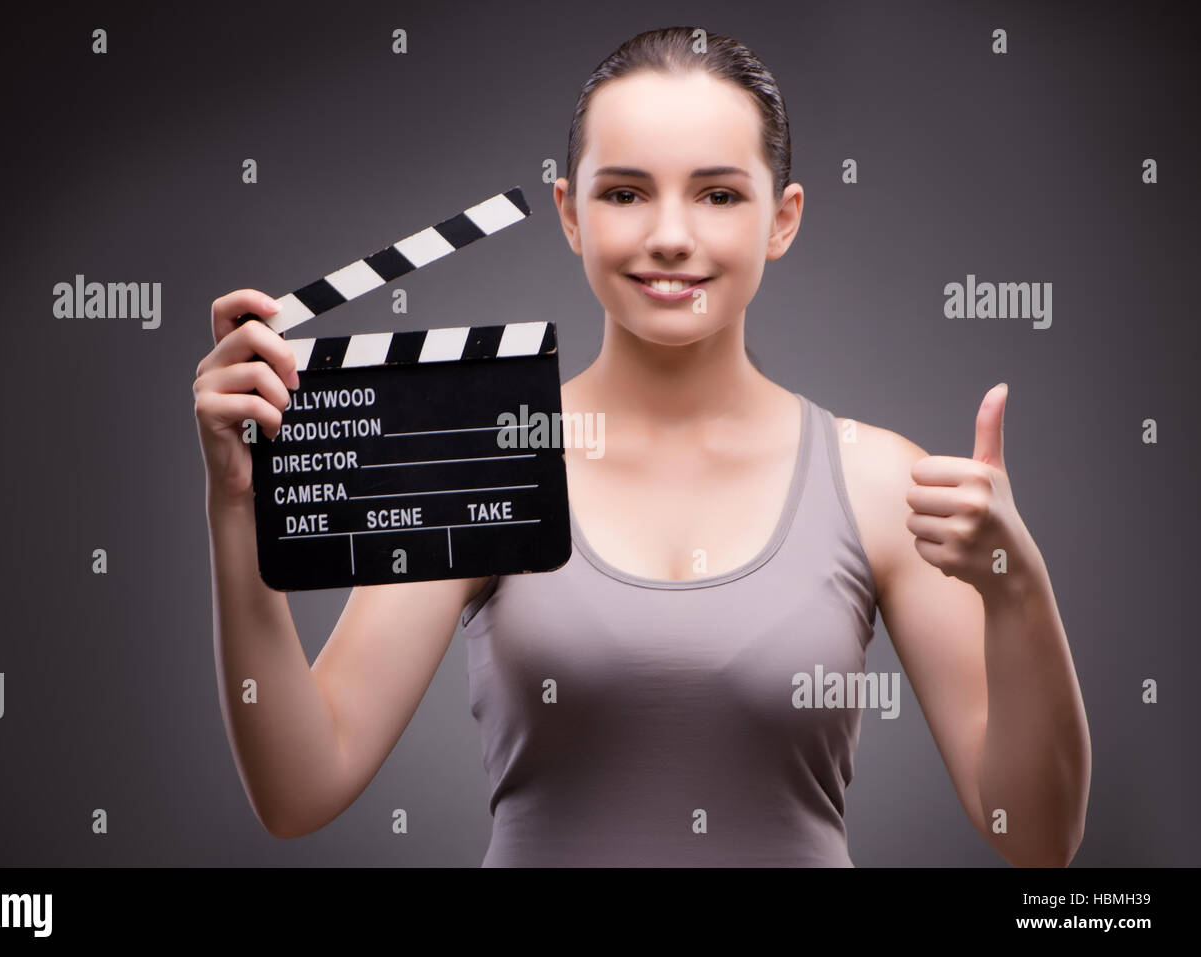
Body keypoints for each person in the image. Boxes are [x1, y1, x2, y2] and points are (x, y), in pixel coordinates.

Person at [193, 26, 1090, 866]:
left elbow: (1038, 837)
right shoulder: (482, 455)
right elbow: (301, 787)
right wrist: (236, 506)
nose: (669, 235)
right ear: (570, 213)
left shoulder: (877, 478)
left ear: (782, 218)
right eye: (624, 193)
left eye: (718, 194)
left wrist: (1018, 585)